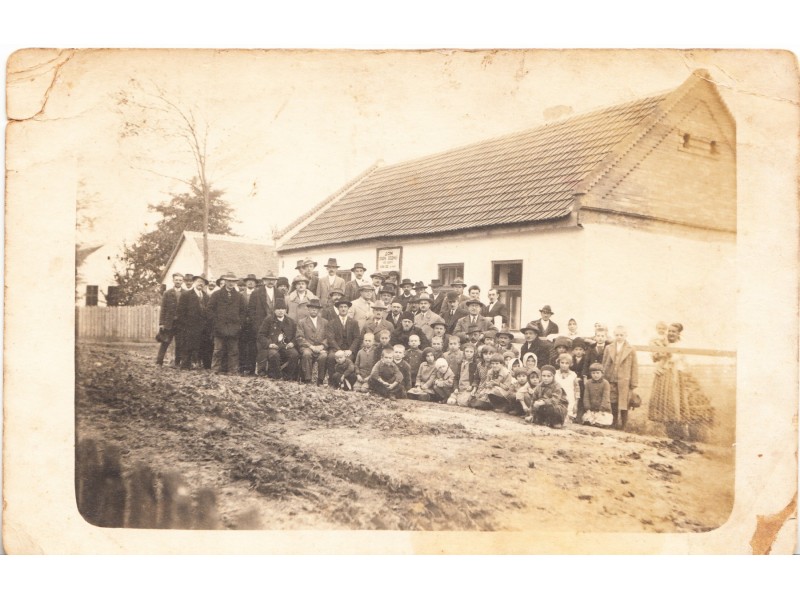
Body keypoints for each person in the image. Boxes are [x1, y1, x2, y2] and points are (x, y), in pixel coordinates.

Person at [648, 323, 714, 441]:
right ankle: (667, 433)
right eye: (669, 331)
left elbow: (675, 359)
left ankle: (683, 434)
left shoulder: (681, 345)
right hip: (664, 375)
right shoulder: (663, 343)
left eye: (674, 331)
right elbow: (655, 357)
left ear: (679, 333)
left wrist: (664, 360)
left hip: (677, 376)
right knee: (664, 402)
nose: (671, 333)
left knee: (677, 403)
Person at [207, 272, 246, 375]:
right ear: (224, 281)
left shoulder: (239, 296)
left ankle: (232, 370)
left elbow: (243, 312)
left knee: (233, 351)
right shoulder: (216, 294)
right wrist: (216, 323)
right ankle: (215, 370)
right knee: (218, 350)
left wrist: (239, 324)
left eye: (233, 282)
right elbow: (210, 310)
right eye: (229, 281)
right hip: (219, 328)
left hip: (234, 328)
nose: (231, 284)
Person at [601, 325, 639, 430]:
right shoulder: (609, 348)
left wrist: (634, 382)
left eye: (621, 335)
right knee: (612, 401)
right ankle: (613, 422)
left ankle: (624, 424)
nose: (619, 337)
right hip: (611, 378)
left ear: (626, 335)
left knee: (624, 403)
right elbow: (604, 363)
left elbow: (634, 366)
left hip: (624, 380)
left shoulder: (631, 349)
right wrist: (603, 377)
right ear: (614, 335)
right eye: (617, 335)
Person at [257, 298, 299, 381]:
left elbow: (296, 336)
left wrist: (292, 343)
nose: (281, 311)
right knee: (274, 355)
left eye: (283, 309)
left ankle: (289, 377)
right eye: (278, 309)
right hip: (274, 346)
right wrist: (269, 344)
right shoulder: (268, 320)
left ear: (285, 310)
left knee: (294, 354)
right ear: (274, 310)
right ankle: (276, 376)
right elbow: (261, 335)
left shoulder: (291, 321)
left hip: (286, 346)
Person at [176, 274, 210, 370]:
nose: (201, 284)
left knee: (202, 346)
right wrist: (185, 325)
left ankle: (201, 365)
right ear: (194, 282)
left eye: (202, 283)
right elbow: (180, 312)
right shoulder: (186, 295)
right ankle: (185, 365)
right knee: (187, 346)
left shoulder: (206, 296)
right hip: (189, 326)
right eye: (199, 282)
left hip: (202, 327)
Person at [326, 298, 361, 382]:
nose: (343, 309)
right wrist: (339, 350)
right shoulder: (332, 322)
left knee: (349, 360)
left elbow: (357, 338)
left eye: (345, 307)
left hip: (348, 350)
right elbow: (330, 339)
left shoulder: (354, 322)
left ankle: (347, 382)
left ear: (348, 309)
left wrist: (351, 350)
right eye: (341, 307)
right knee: (331, 357)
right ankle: (332, 380)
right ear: (338, 309)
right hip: (336, 349)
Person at [296, 298, 329, 385]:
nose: (314, 310)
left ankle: (320, 380)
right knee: (306, 354)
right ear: (308, 309)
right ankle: (307, 379)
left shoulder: (325, 322)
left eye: (316, 308)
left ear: (318, 310)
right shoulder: (302, 322)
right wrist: (311, 346)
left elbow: (328, 337)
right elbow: (299, 337)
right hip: (308, 347)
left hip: (320, 347)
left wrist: (322, 346)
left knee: (324, 356)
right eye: (312, 308)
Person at [156, 272, 185, 367]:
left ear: (182, 281)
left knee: (180, 344)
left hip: (180, 323)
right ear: (173, 280)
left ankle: (177, 363)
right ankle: (159, 362)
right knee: (165, 342)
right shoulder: (167, 293)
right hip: (169, 323)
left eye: (180, 280)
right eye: (176, 280)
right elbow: (163, 309)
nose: (178, 282)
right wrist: (161, 323)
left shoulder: (186, 293)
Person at [238, 273, 260, 375]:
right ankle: (242, 367)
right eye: (248, 281)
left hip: (254, 324)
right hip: (243, 324)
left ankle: (251, 368)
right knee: (242, 346)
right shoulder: (240, 294)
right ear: (246, 283)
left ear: (255, 283)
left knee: (253, 347)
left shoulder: (259, 294)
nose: (250, 283)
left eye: (253, 281)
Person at [582, 362, 613, 427]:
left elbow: (605, 398)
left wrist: (601, 410)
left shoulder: (605, 383)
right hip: (592, 410)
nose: (595, 375)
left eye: (598, 373)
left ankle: (599, 422)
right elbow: (586, 397)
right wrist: (588, 409)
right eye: (593, 373)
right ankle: (591, 421)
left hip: (603, 410)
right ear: (590, 374)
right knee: (586, 419)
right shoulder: (588, 383)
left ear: (602, 373)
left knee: (603, 419)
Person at [447, 342, 478, 406]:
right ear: (464, 352)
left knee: (462, 403)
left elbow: (477, 378)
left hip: (468, 389)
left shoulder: (475, 364)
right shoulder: (461, 363)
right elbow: (456, 378)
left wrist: (471, 386)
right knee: (450, 402)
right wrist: (455, 388)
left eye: (471, 352)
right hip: (459, 388)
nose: (468, 353)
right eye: (467, 351)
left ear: (474, 353)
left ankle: (467, 399)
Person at [555, 353, 580, 423]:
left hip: (570, 399)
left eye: (566, 363)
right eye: (562, 363)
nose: (564, 365)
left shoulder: (573, 375)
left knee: (567, 419)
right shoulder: (555, 373)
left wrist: (576, 404)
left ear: (570, 364)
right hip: (557, 398)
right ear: (558, 362)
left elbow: (577, 390)